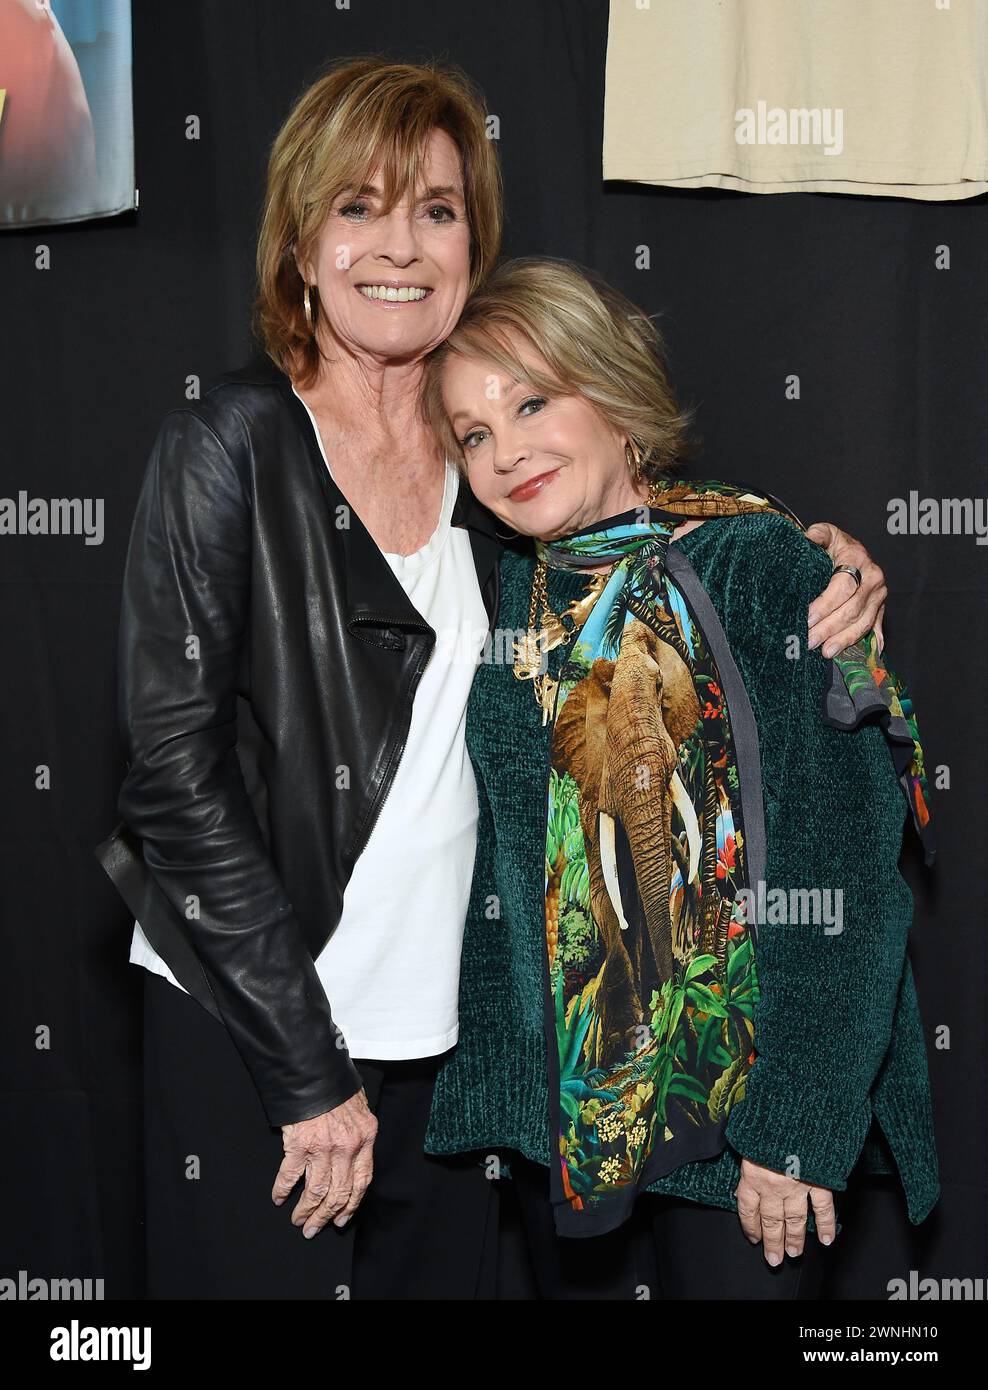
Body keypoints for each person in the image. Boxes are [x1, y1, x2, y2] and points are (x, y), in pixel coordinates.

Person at [95, 57, 893, 1300]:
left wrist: (823, 563)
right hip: (259, 1030)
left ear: (474, 243)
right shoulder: (228, 447)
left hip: (459, 1059)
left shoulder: (499, 483)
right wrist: (309, 1076)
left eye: (435, 208)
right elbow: (171, 778)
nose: (397, 245)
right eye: (355, 208)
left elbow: (666, 554)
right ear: (299, 247)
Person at [421, 257, 939, 1300]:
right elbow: (513, 864)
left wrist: (791, 1123)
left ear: (613, 393)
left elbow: (847, 862)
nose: (506, 449)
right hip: (571, 1132)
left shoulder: (767, 561)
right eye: (474, 433)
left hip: (744, 1123)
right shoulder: (510, 589)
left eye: (531, 400)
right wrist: (514, 1107)